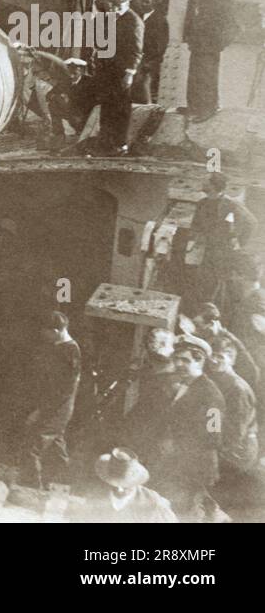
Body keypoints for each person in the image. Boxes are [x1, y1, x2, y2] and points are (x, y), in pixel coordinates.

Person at [144, 335, 225, 521]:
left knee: (180, 511)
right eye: (177, 358)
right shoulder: (183, 385)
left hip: (192, 464)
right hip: (172, 461)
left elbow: (213, 435)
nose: (178, 364)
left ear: (200, 360)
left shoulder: (211, 395)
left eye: (185, 360)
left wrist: (177, 444)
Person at [22, 310, 81, 488]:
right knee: (57, 445)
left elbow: (65, 390)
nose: (43, 336)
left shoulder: (70, 352)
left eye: (45, 332)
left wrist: (39, 412)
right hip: (57, 408)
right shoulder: (62, 347)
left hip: (57, 410)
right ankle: (64, 481)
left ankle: (32, 488)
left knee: (32, 448)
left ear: (56, 331)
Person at [190, 173, 257, 306]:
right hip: (209, 248)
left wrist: (239, 242)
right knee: (206, 281)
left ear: (214, 186)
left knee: (224, 282)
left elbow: (252, 222)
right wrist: (197, 238)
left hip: (226, 251)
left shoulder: (231, 205)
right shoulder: (202, 204)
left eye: (206, 182)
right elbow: (196, 225)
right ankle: (206, 311)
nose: (203, 183)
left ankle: (221, 314)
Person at [184, 0, 238, 121]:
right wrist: (189, 36)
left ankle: (208, 108)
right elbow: (191, 17)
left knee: (207, 75)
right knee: (195, 74)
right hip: (197, 42)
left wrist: (220, 43)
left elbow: (231, 22)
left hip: (212, 43)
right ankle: (193, 106)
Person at [91, 0, 143, 155]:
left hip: (121, 71)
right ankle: (106, 142)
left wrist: (129, 74)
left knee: (121, 109)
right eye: (111, 5)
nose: (113, 8)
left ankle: (120, 144)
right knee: (107, 107)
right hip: (107, 70)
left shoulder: (133, 21)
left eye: (117, 5)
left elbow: (136, 50)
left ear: (126, 4)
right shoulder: (111, 18)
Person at [84, 448, 179, 522]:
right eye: (115, 484)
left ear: (135, 481)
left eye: (125, 485)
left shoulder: (153, 503)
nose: (120, 489)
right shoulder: (95, 497)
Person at [206, 338, 258, 474]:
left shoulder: (237, 388)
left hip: (239, 452)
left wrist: (212, 449)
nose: (214, 360)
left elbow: (236, 431)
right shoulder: (216, 381)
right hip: (221, 442)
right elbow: (214, 416)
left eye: (220, 356)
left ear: (232, 360)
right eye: (212, 355)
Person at [131, 0, 168, 103]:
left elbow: (160, 46)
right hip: (136, 61)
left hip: (147, 64)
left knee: (144, 92)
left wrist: (150, 63)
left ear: (154, 3)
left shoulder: (160, 21)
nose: (142, 4)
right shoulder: (138, 17)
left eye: (147, 1)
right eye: (141, 1)